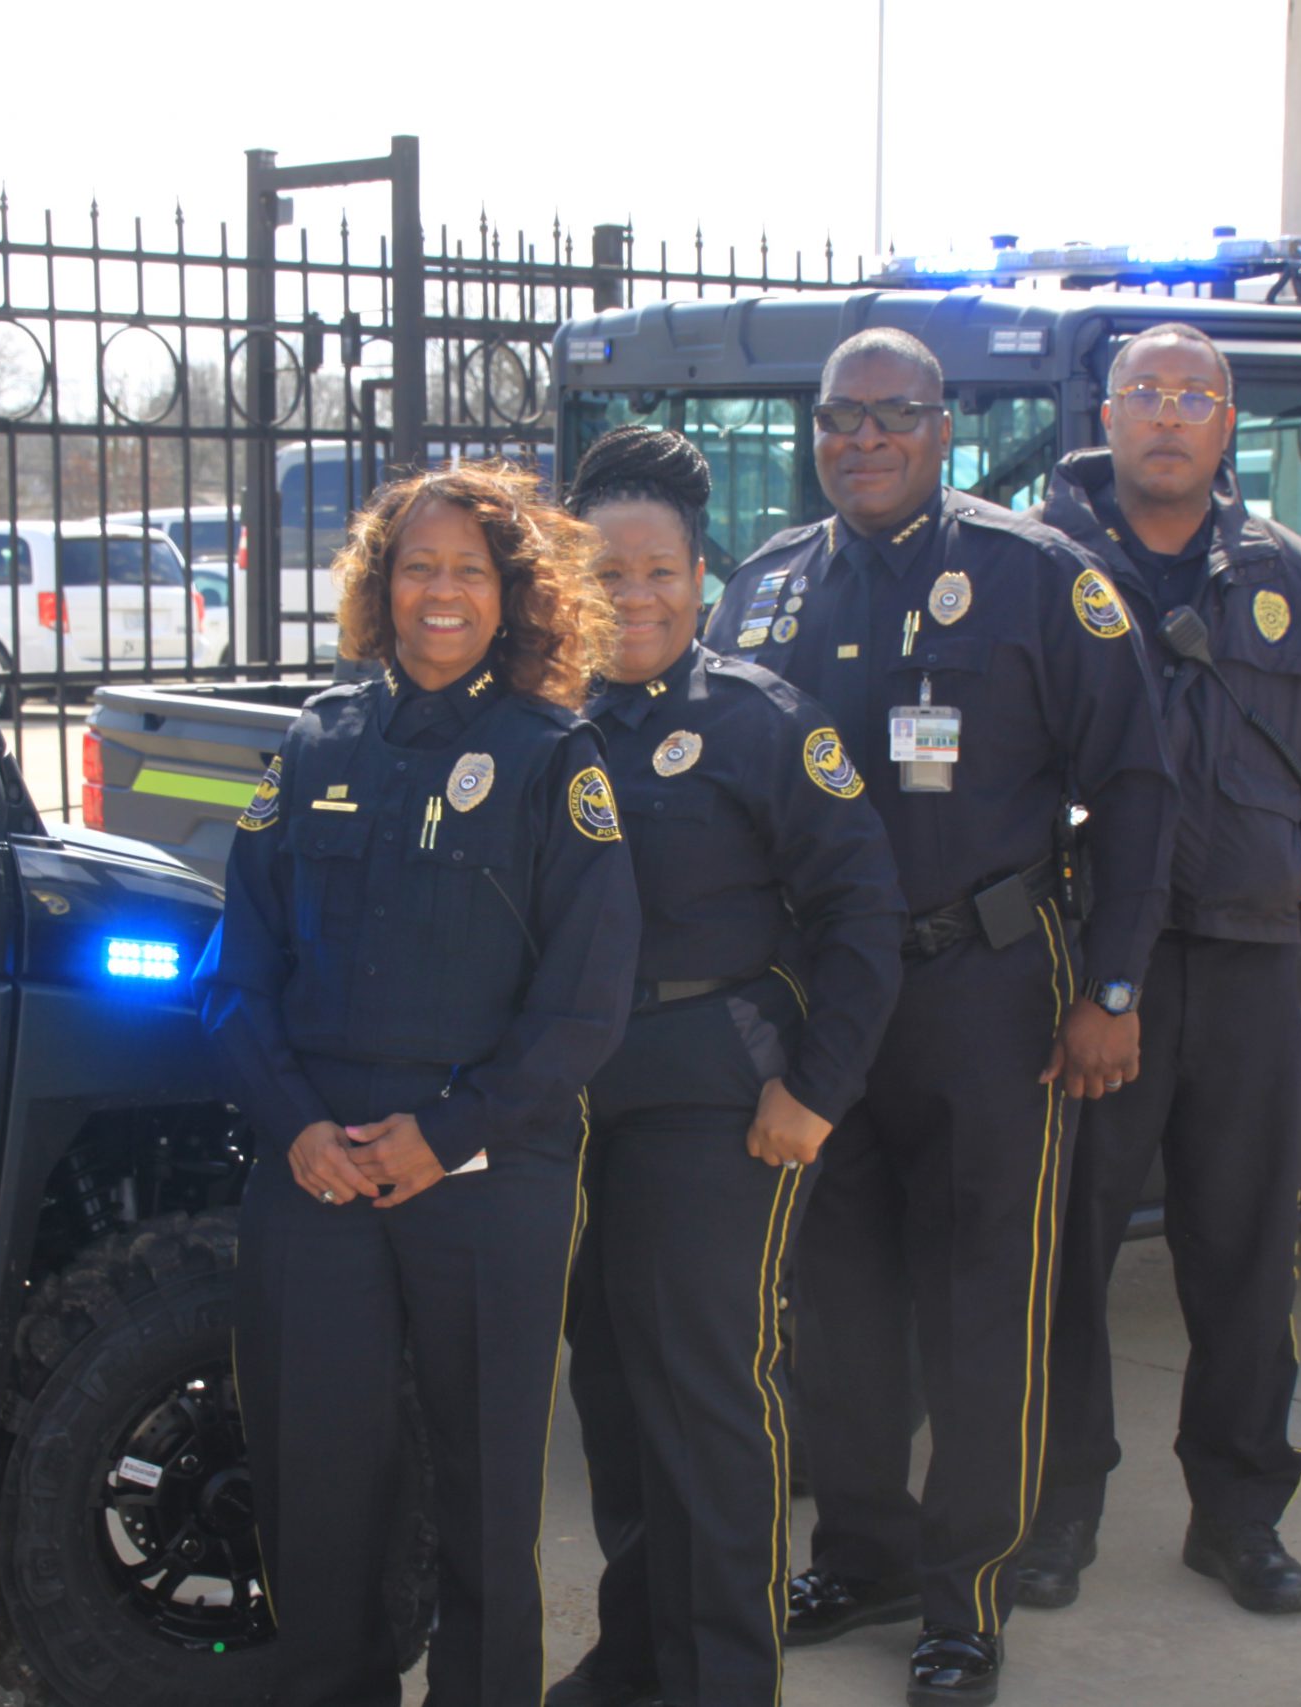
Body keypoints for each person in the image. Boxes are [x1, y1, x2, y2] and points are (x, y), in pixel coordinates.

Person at [703, 328, 1178, 1705]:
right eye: (839, 417)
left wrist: (1116, 986)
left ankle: (966, 1595)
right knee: (835, 1299)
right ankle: (861, 1551)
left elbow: (1141, 786)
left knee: (984, 1302)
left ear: (945, 426)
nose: (862, 439)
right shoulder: (768, 586)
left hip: (986, 991)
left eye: (892, 415)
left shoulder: (1037, 577)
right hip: (818, 1007)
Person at [200, 460, 641, 1707]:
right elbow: (235, 974)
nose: (439, 593)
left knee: (487, 1490)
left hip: (484, 1174)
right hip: (317, 1170)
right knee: (319, 1479)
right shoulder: (317, 742)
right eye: (416, 567)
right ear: (378, 587)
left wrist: (441, 1136)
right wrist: (298, 1131)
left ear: (512, 595)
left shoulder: (557, 755)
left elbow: (585, 1001)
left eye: (468, 571)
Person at [1014, 322, 1301, 1616]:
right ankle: (1054, 1508)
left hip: (1245, 962)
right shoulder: (1030, 571)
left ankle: (1237, 1512)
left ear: (1228, 423)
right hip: (1081, 972)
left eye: (1196, 394)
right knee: (1061, 1250)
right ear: (1108, 412)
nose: (1170, 414)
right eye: (1147, 391)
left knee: (1243, 1254)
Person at [550, 426, 907, 1707]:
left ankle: (720, 1679)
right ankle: (637, 1654)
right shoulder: (541, 725)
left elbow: (863, 916)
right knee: (611, 1396)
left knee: (707, 1398)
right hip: (570, 1106)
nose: (633, 598)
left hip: (715, 1106)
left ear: (700, 580)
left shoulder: (761, 724)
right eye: (606, 575)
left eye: (658, 573)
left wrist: (814, 1089)